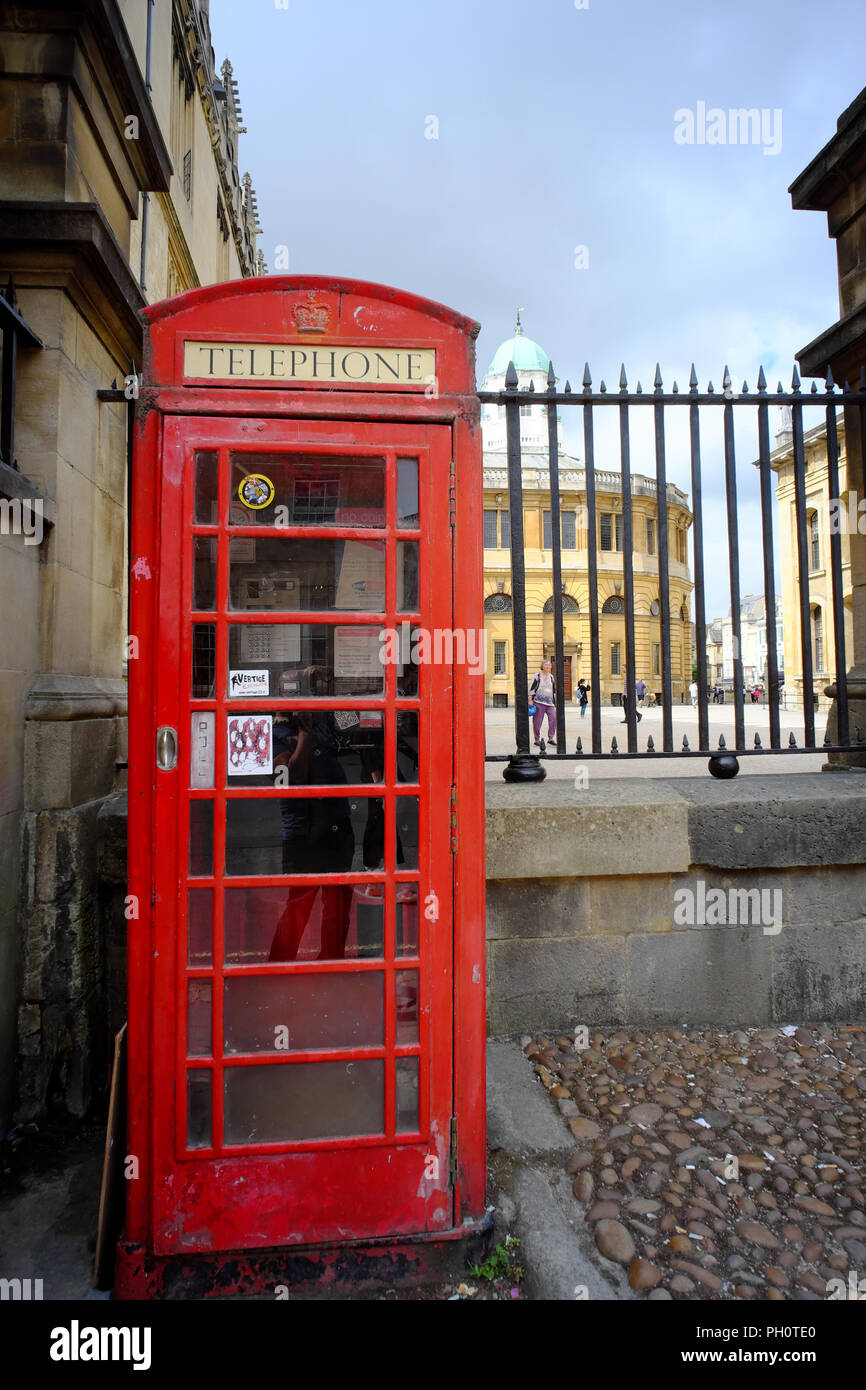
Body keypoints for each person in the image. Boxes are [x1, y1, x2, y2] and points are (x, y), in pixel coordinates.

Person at [529, 658, 556, 748]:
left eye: (549, 665)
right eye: (546, 665)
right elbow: (531, 688)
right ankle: (537, 739)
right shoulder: (537, 676)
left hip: (550, 703)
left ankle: (551, 738)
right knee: (537, 722)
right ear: (542, 666)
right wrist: (530, 700)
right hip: (538, 702)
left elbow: (554, 689)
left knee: (553, 719)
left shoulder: (551, 677)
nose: (548, 666)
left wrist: (554, 700)